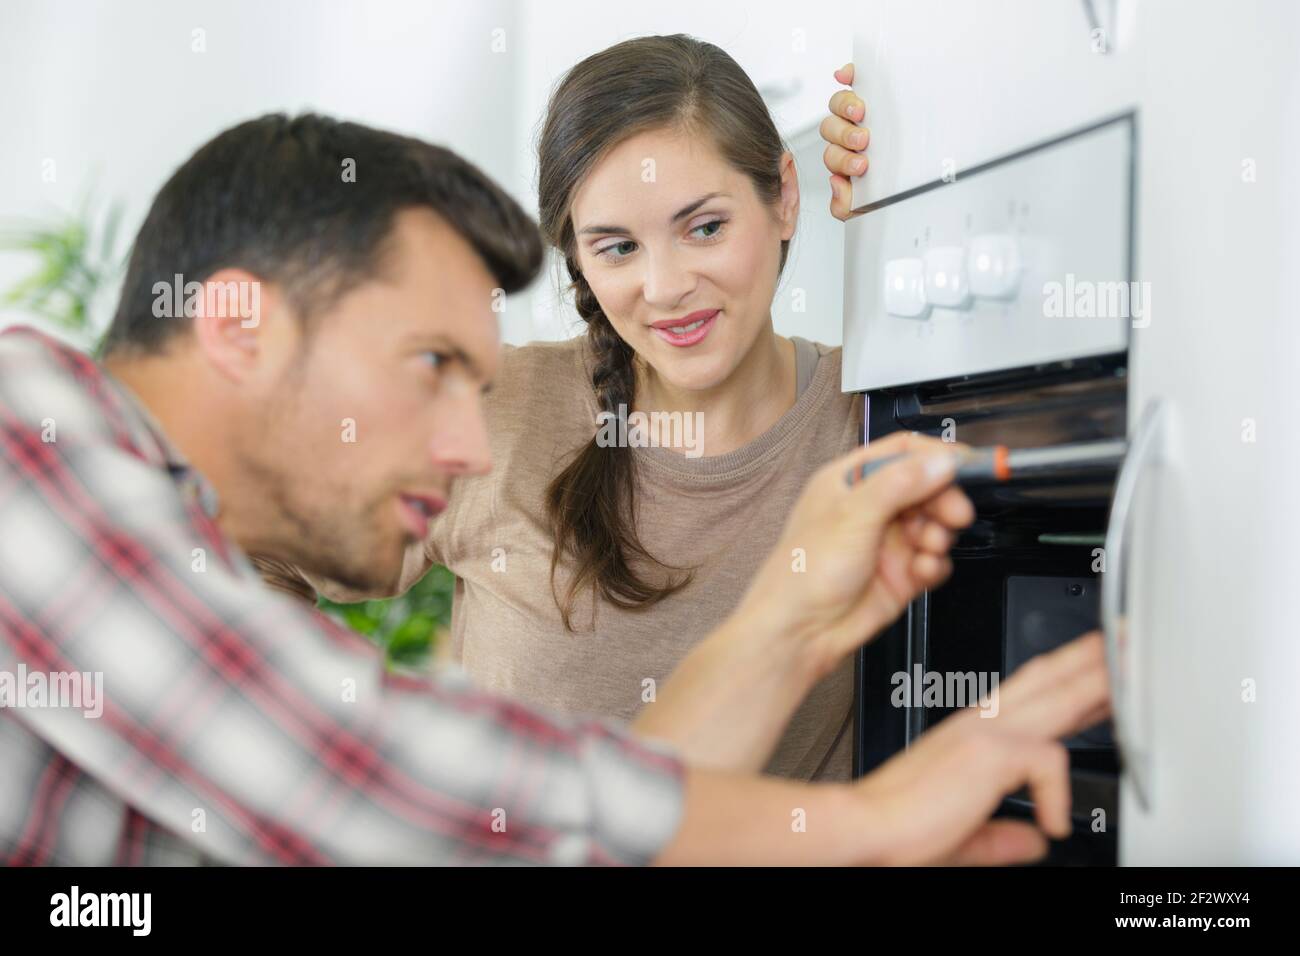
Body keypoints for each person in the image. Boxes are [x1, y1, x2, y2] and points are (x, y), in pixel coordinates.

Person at [0, 112, 1108, 867]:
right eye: (431, 363)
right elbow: (376, 782)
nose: (472, 447)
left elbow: (550, 829)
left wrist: (786, 621)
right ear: (238, 324)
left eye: (707, 222)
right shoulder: (25, 430)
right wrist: (867, 822)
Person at [274, 36, 872, 783]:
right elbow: (250, 546)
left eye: (706, 227)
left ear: (784, 196)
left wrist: (911, 195)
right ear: (580, 259)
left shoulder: (875, 413)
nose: (665, 286)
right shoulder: (492, 412)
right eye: (618, 248)